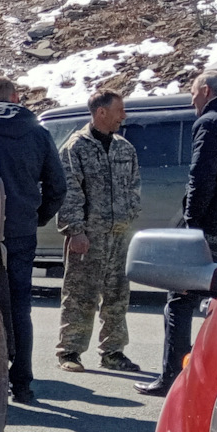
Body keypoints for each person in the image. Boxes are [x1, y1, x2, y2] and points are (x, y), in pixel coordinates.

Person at [137, 70, 217, 396]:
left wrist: (192, 225)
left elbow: (201, 178)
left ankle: (173, 378)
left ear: (206, 90)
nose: (192, 101)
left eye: (193, 93)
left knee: (179, 300)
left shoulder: (210, 124)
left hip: (211, 228)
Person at [0, 77, 67, 403]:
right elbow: (58, 187)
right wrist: (37, 217)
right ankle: (22, 383)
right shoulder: (38, 132)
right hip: (21, 230)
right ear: (16, 98)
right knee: (20, 305)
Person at [55, 89, 143, 373]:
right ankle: (70, 351)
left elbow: (134, 187)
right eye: (119, 110)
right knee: (80, 295)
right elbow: (69, 192)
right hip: (88, 237)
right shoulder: (75, 148)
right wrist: (75, 231)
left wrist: (129, 217)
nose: (124, 116)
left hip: (119, 236)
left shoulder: (124, 148)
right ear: (101, 112)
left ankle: (113, 353)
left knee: (117, 296)